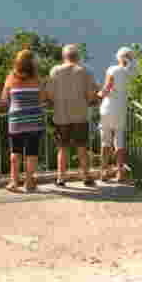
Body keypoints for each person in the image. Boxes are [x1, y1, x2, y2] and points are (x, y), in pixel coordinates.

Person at [43, 44, 98, 186]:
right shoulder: (85, 71)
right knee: (82, 147)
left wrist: (52, 102)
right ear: (77, 56)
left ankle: (61, 178)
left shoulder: (55, 71)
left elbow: (48, 93)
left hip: (61, 116)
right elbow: (91, 95)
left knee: (62, 148)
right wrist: (92, 101)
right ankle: (86, 176)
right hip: (80, 115)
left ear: (63, 56)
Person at [0, 47, 45, 192]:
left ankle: (14, 182)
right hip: (34, 119)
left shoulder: (10, 78)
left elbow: (3, 99)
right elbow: (43, 98)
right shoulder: (37, 79)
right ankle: (29, 182)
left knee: (15, 151)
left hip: (16, 120)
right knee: (32, 152)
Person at [98, 46, 136, 182]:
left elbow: (107, 88)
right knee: (119, 141)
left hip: (108, 108)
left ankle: (104, 171)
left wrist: (98, 95)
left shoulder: (113, 70)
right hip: (121, 109)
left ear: (118, 57)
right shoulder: (132, 73)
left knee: (105, 141)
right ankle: (120, 172)